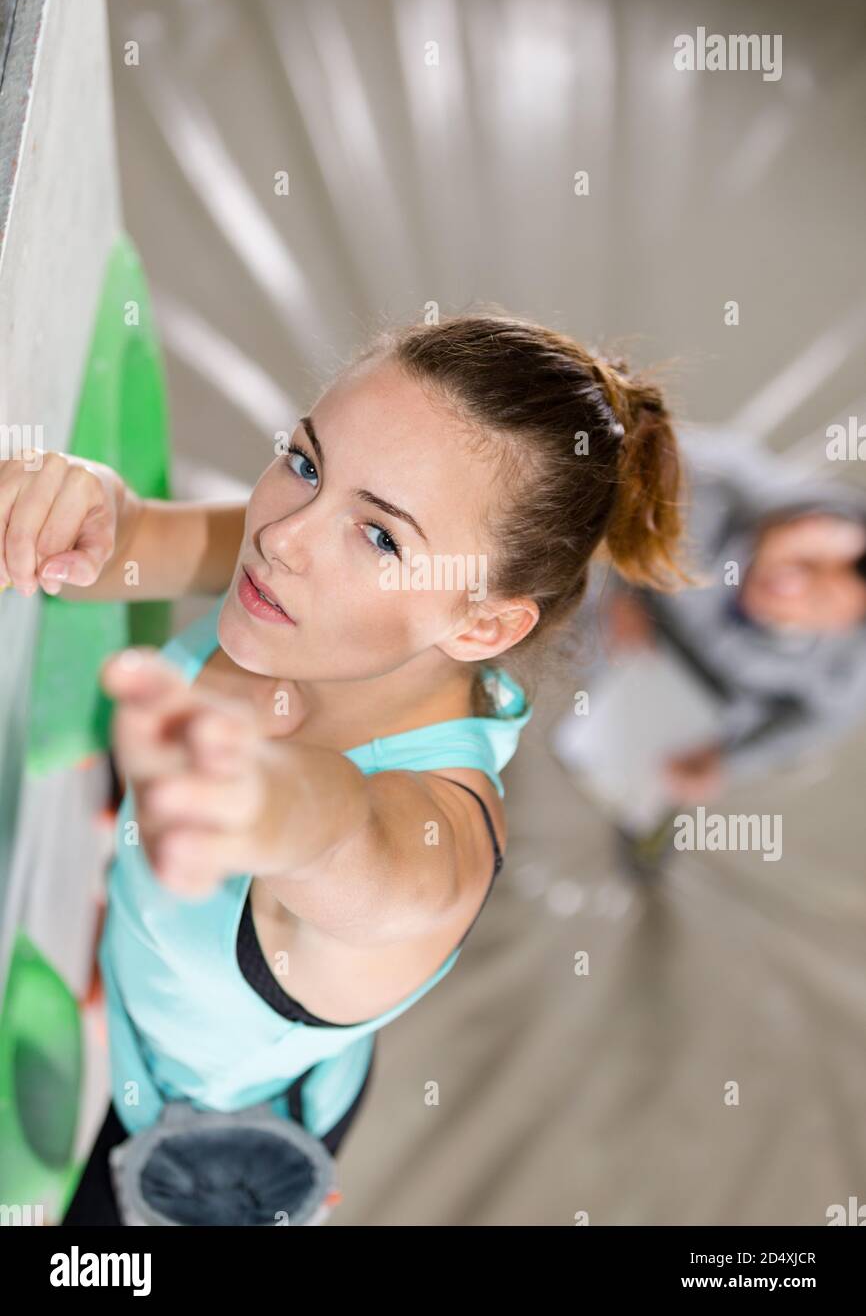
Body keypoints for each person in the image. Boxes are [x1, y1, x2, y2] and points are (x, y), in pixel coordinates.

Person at [0, 312, 689, 1224]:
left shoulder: (440, 839)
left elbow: (358, 843)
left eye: (382, 539)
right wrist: (76, 502)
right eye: (307, 459)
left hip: (184, 1165)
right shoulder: (289, 572)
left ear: (481, 626)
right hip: (137, 1021)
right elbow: (126, 541)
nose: (286, 535)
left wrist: (273, 801)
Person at [564, 423, 866, 876]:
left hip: (699, 720)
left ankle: (647, 822)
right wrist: (619, 589)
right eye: (803, 560)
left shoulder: (848, 665)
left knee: (651, 789)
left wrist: (727, 761)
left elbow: (815, 725)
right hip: (623, 635)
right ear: (803, 521)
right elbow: (606, 490)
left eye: (818, 599)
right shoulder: (704, 485)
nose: (789, 586)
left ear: (844, 625)